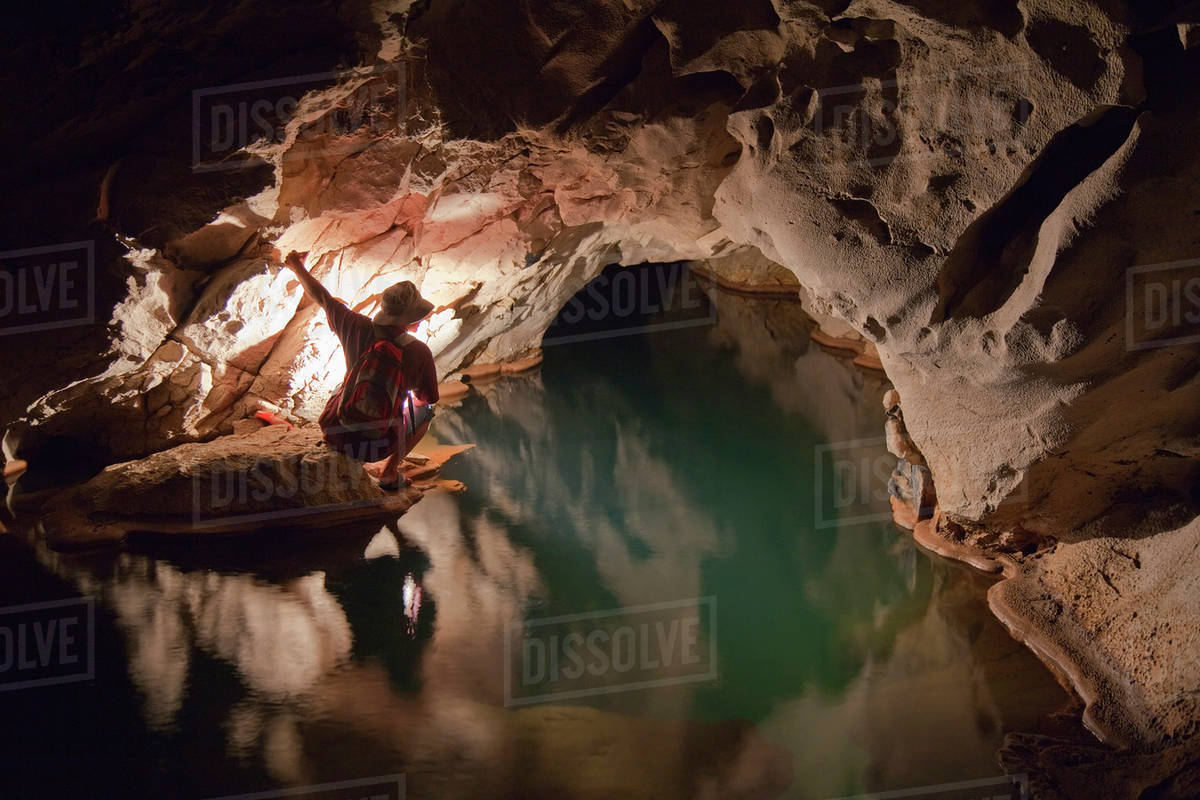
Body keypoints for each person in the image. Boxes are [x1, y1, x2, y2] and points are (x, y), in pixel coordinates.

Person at [282, 249, 439, 489]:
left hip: (335, 431)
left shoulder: (354, 326)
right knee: (425, 411)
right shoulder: (419, 352)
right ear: (409, 320)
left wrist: (297, 266)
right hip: (377, 445)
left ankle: (345, 434)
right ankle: (388, 471)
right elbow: (424, 399)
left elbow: (323, 298)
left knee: (346, 381)